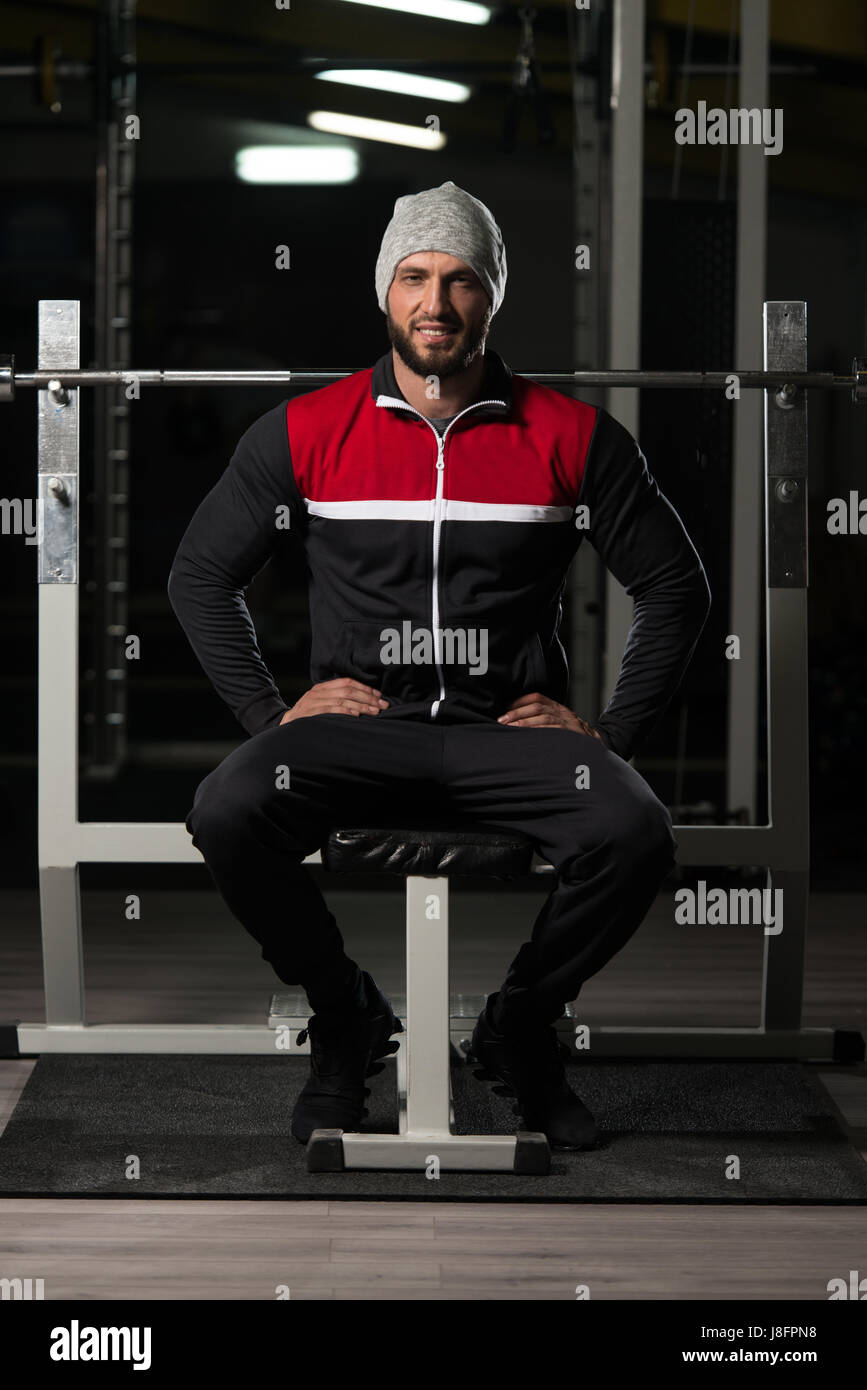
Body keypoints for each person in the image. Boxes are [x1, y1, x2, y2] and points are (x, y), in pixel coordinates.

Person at [168, 181, 711, 1151]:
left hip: (505, 729)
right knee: (227, 807)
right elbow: (202, 577)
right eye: (415, 277)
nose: (436, 302)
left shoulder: (572, 434)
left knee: (633, 828)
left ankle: (520, 1028)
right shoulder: (305, 428)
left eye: (461, 280)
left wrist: (613, 732)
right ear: (385, 293)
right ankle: (345, 1017)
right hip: (354, 729)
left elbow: (675, 589)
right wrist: (271, 715)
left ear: (491, 298)